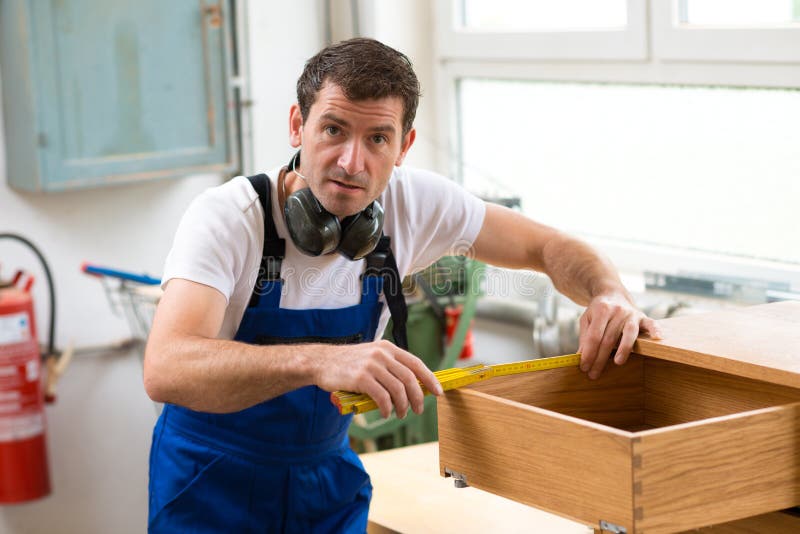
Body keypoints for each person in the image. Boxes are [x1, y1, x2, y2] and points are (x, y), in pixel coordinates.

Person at [143, 37, 660, 533]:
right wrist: (321, 360)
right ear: (297, 126)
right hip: (209, 484)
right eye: (333, 130)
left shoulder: (414, 206)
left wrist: (608, 292)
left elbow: (546, 247)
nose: (352, 162)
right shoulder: (230, 218)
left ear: (404, 145)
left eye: (377, 139)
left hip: (325, 485)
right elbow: (167, 366)